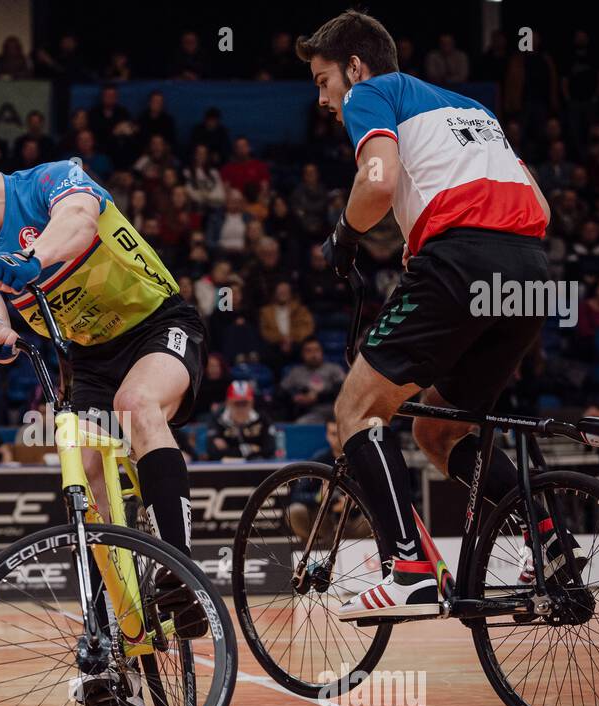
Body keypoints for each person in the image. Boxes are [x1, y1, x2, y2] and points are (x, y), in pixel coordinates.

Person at [0, 119, 209, 706]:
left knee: (138, 407)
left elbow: (79, 223)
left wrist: (29, 259)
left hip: (157, 325)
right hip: (86, 361)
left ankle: (182, 571)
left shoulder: (49, 179)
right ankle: (118, 642)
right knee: (85, 473)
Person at [297, 11, 553, 621]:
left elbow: (378, 182)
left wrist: (344, 237)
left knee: (356, 409)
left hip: (458, 266)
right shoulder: (472, 108)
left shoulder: (372, 92)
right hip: (530, 272)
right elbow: (539, 202)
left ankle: (409, 568)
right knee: (441, 430)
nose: (326, 99)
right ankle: (551, 541)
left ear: (354, 67)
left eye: (324, 80)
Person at [205, 381, 275, 460]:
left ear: (252, 402)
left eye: (245, 403)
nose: (241, 408)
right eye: (237, 403)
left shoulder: (262, 419)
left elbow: (269, 449)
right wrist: (250, 449)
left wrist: (229, 451)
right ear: (228, 402)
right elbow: (213, 452)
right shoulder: (217, 420)